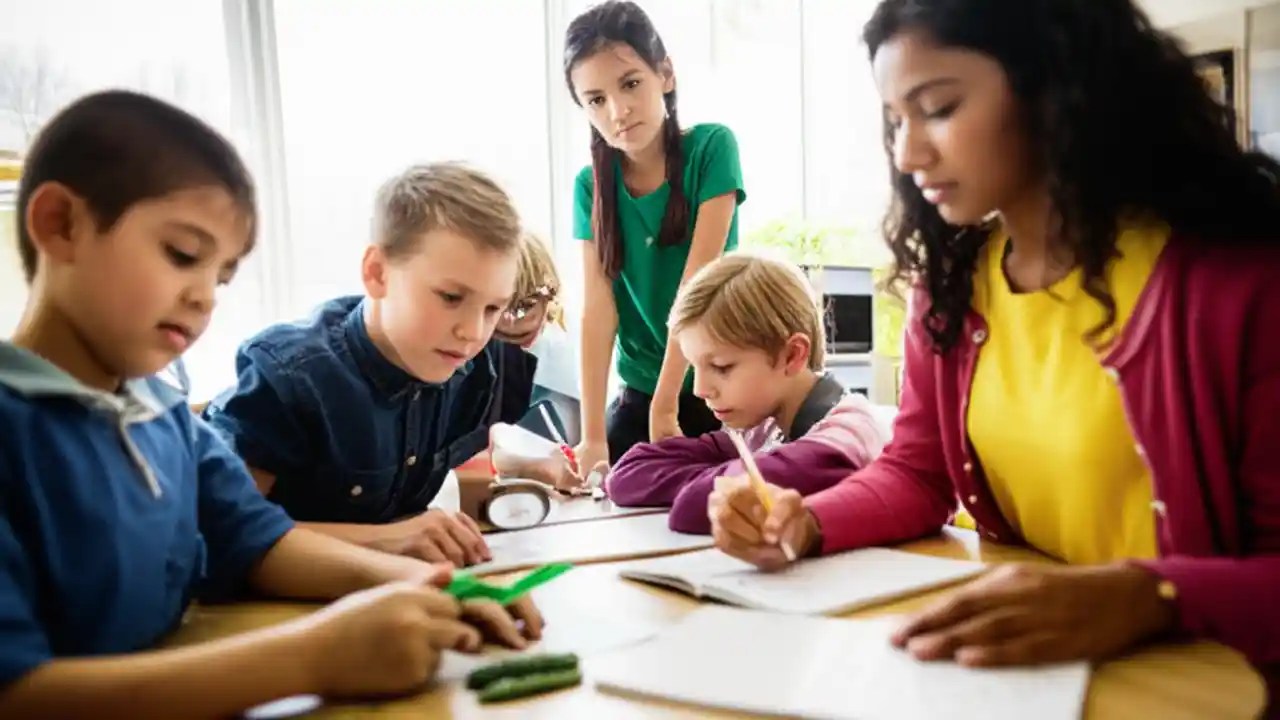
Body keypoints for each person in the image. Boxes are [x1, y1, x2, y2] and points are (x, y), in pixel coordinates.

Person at [709, 0, 1280, 704]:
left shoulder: (1234, 281)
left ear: (1055, 82)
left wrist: (1148, 595)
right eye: (895, 121)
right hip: (1038, 680)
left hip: (1208, 687)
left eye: (939, 107)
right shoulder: (952, 288)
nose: (907, 153)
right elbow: (919, 473)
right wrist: (806, 517)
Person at [0, 91, 540, 718]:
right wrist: (313, 657)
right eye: (182, 255)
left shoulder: (160, 414)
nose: (205, 297)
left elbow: (260, 541)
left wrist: (430, 586)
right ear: (61, 224)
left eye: (223, 276)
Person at [204, 163, 539, 567]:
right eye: (451, 297)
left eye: (493, 308)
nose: (472, 332)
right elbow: (216, 529)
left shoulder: (471, 370)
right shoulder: (293, 377)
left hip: (393, 594)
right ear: (377, 273)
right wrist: (384, 540)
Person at [565, 0, 747, 473]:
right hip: (640, 393)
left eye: (630, 84)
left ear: (665, 75)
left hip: (719, 389)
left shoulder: (712, 148)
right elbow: (597, 311)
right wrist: (591, 438)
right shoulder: (590, 186)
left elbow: (696, 285)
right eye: (596, 100)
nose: (618, 111)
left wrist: (667, 402)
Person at [607, 253, 886, 533]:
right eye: (695, 367)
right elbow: (627, 473)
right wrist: (734, 473)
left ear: (791, 355)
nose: (700, 389)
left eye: (721, 367)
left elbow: (691, 508)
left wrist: (727, 475)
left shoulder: (841, 440)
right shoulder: (765, 428)